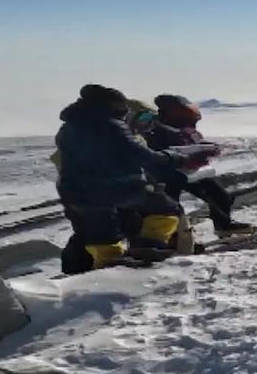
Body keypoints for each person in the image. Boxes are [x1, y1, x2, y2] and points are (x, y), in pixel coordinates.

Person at [53, 85, 198, 274]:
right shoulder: (110, 124)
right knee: (167, 208)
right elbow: (141, 156)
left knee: (102, 232)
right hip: (111, 189)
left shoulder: (69, 127)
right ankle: (147, 248)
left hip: (75, 192)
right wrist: (175, 158)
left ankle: (104, 267)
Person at [135, 94, 255, 238]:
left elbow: (192, 144)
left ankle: (223, 225)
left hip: (189, 171)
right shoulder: (155, 129)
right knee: (169, 206)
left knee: (219, 195)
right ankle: (173, 238)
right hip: (166, 174)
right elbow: (156, 153)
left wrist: (203, 149)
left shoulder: (182, 129)